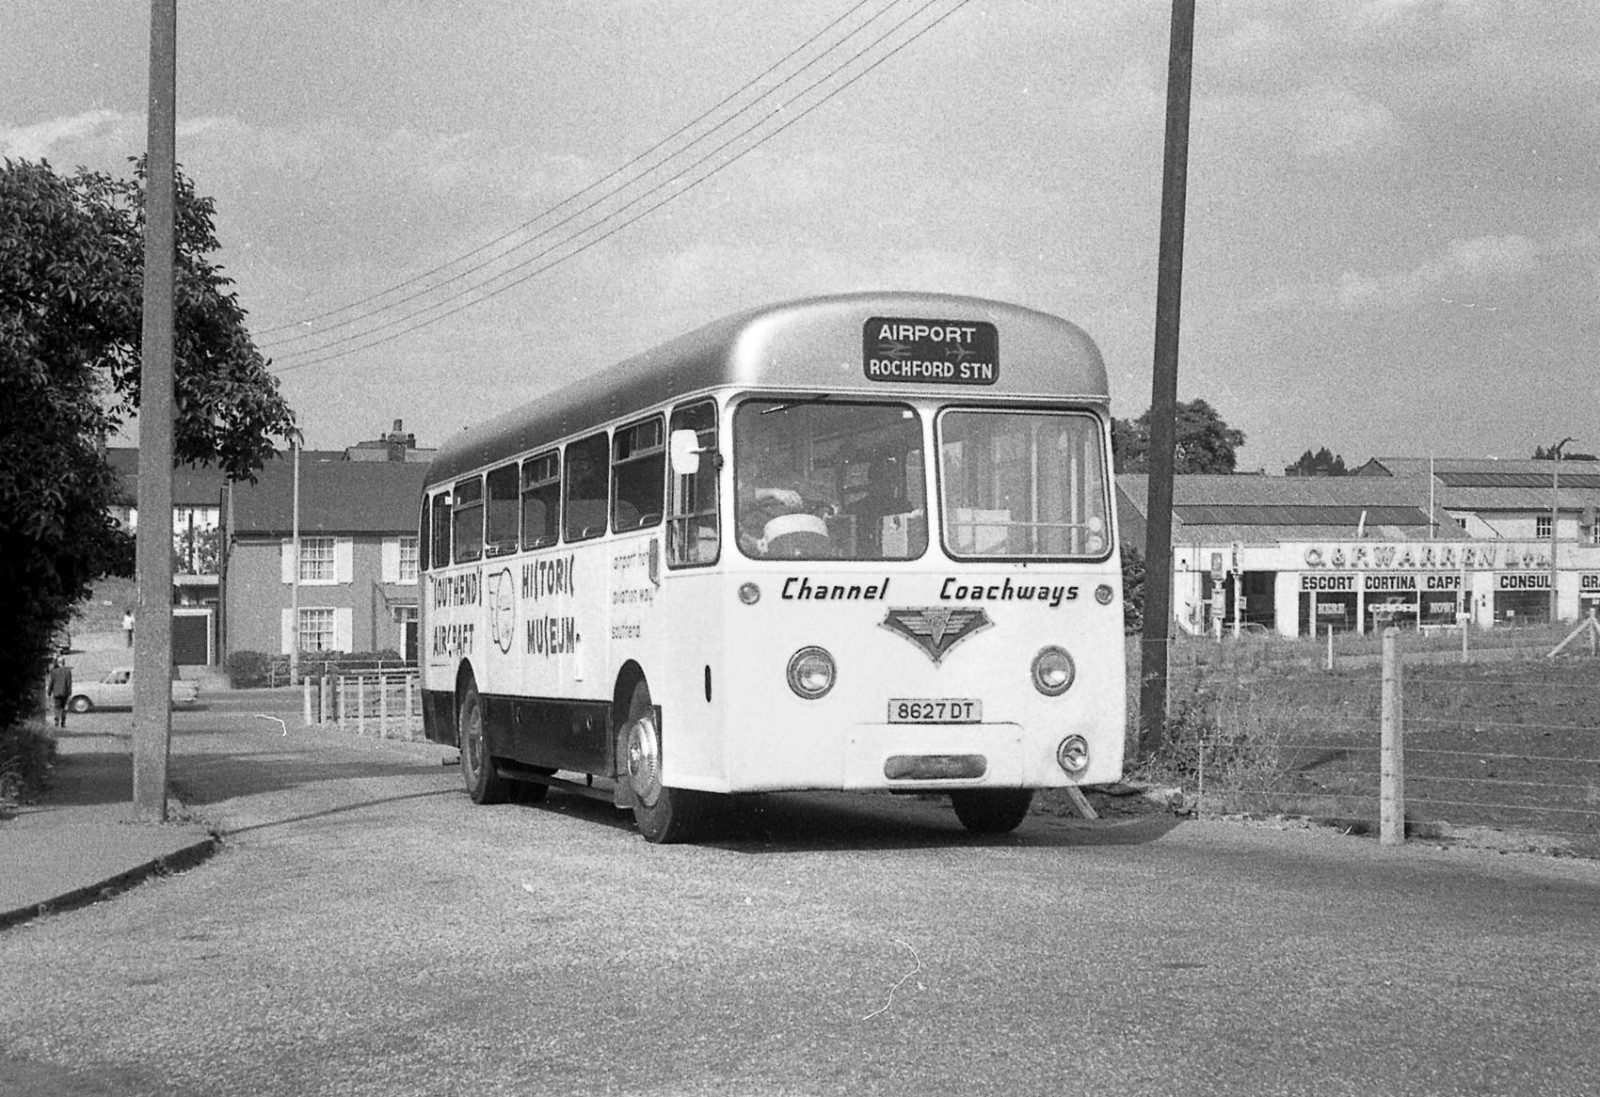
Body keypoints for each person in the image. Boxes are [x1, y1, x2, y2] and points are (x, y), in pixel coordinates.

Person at [46, 657, 72, 729]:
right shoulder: (67, 671)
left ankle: (56, 721)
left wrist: (49, 692)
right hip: (65, 692)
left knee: (57, 707)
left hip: (56, 692)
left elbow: (51, 683)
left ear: (58, 663)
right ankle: (63, 722)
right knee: (63, 707)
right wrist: (69, 693)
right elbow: (69, 683)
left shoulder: (54, 672)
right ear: (64, 662)